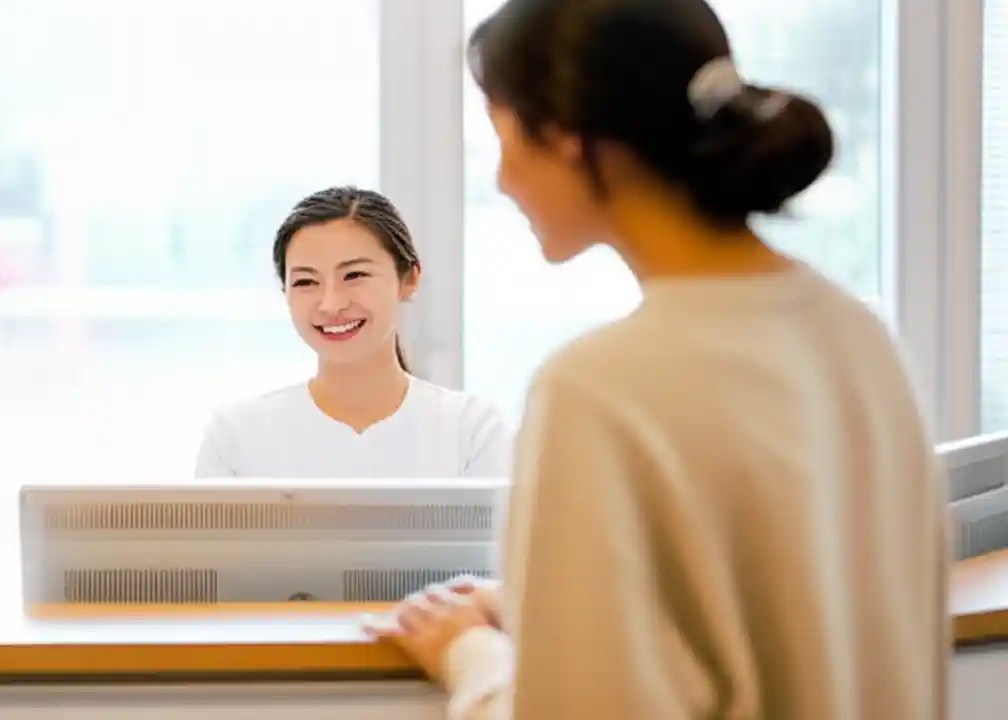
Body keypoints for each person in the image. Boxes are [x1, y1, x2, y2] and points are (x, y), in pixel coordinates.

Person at [366, 1, 950, 717]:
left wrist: (466, 650)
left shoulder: (600, 390)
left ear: (573, 140)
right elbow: (799, 609)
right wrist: (553, 609)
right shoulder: (859, 339)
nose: (502, 180)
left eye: (504, 136)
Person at [195, 186, 512, 479]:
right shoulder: (235, 436)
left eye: (355, 275)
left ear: (409, 278)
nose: (331, 304)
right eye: (306, 282)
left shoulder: (472, 431)